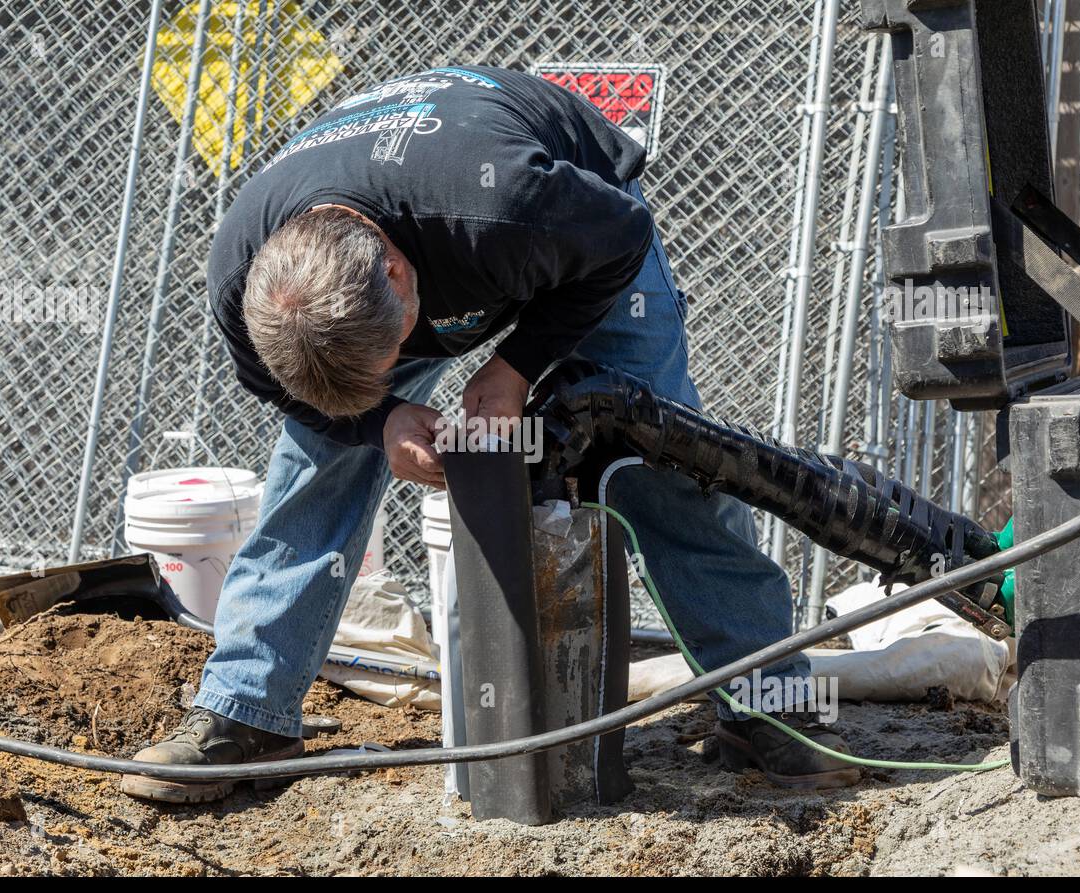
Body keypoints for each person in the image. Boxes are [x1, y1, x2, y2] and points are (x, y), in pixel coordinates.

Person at [121, 66, 859, 803]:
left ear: (400, 273)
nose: (416, 367)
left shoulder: (508, 204)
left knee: (657, 460)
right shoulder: (247, 277)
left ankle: (767, 699)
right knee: (315, 468)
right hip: (411, 246)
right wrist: (378, 422)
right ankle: (246, 708)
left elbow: (621, 238)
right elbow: (280, 389)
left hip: (585, 241)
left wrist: (514, 367)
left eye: (397, 356)